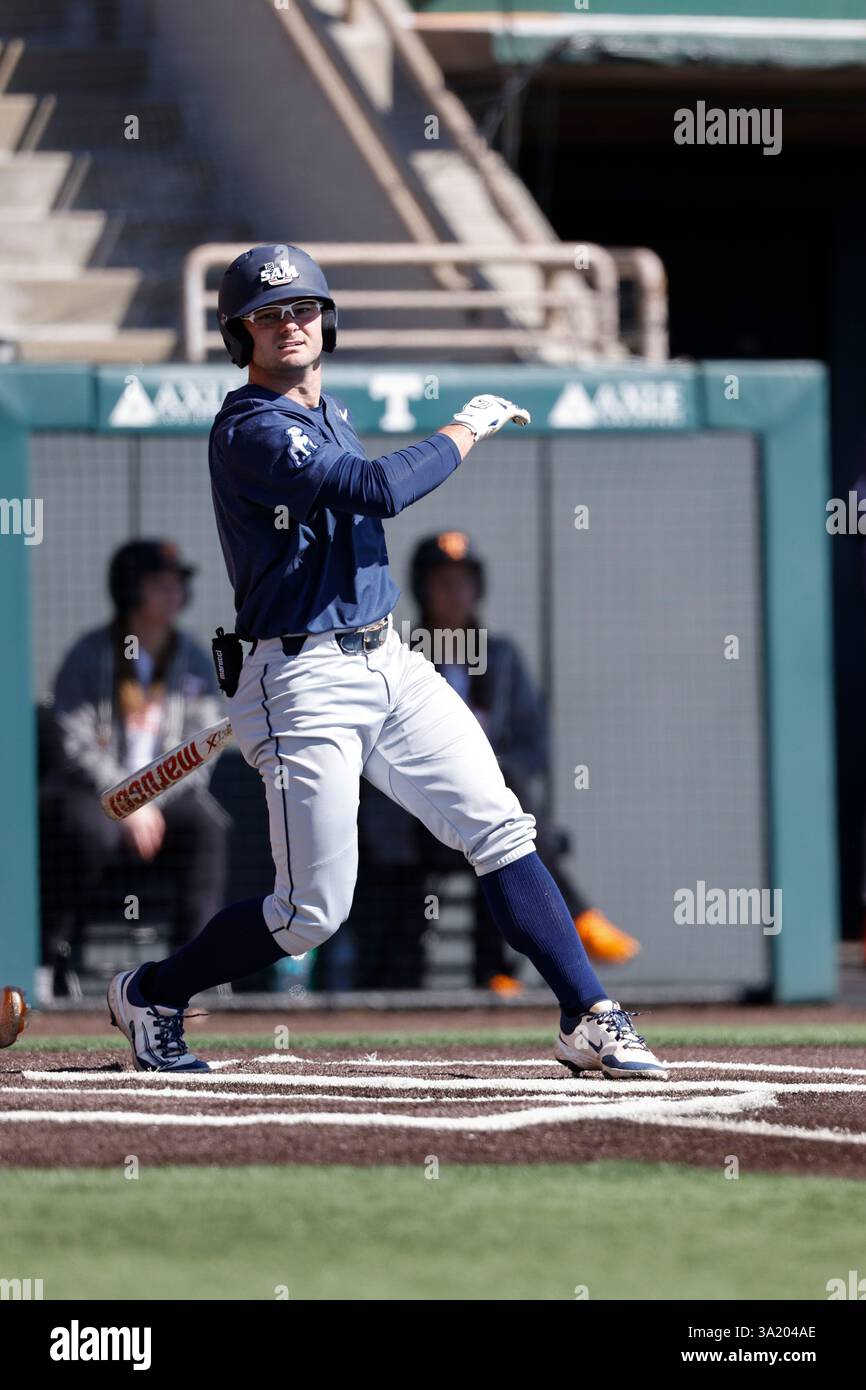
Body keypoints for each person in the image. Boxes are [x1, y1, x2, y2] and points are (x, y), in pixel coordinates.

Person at [106, 242, 667, 1081]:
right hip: (301, 678)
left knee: (501, 825)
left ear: (324, 320)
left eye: (300, 309)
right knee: (309, 914)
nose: (288, 325)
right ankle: (152, 992)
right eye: (267, 316)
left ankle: (589, 1015)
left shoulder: (328, 413)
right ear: (241, 334)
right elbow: (377, 490)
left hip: (389, 659)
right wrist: (464, 428)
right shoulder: (250, 426)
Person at [347, 531, 640, 993]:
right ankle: (579, 914)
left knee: (503, 783)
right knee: (497, 795)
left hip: (489, 810)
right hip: (419, 818)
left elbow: (532, 742)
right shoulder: (398, 657)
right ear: (423, 589)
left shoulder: (500, 657)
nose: (454, 592)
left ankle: (496, 972)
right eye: (442, 581)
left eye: (464, 581)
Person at [41, 541, 230, 991]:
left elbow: (204, 746)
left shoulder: (197, 662)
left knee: (209, 826)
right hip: (96, 801)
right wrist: (126, 802)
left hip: (167, 803)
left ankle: (191, 974)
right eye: (160, 585)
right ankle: (50, 962)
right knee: (82, 829)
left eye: (178, 585)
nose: (174, 594)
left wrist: (147, 800)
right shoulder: (88, 655)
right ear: (129, 591)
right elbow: (74, 742)